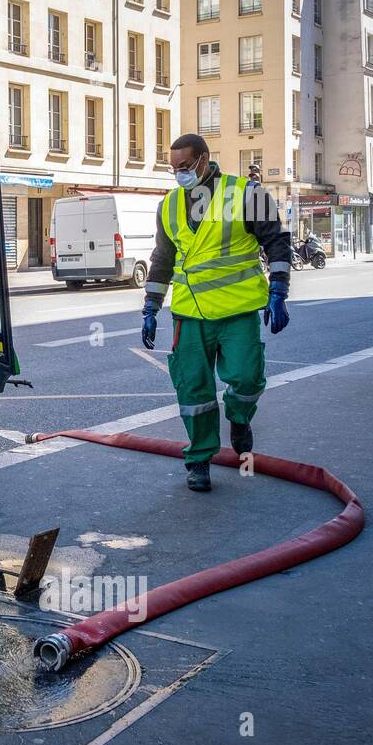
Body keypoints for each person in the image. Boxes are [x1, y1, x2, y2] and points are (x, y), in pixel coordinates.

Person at [141, 134, 291, 492]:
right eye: (173, 168)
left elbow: (276, 241)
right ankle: (199, 461)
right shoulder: (170, 205)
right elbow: (163, 259)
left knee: (247, 377)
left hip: (237, 310)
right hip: (189, 314)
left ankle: (239, 419)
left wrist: (279, 290)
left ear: (204, 160)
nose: (178, 174)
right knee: (193, 390)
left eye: (185, 166)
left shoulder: (246, 194)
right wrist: (151, 306)